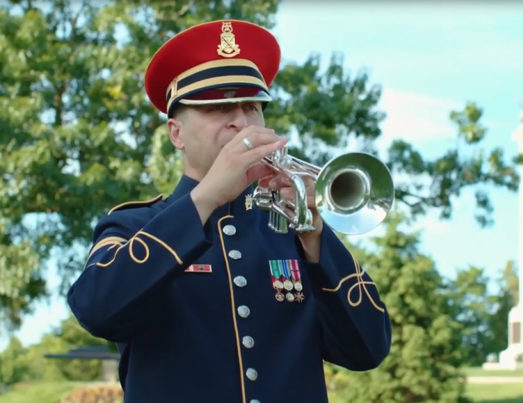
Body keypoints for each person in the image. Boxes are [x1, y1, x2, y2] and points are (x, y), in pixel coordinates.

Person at [67, 19, 391, 403]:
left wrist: (314, 232)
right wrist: (205, 199)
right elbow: (94, 308)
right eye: (219, 106)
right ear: (177, 134)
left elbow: (368, 349)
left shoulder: (294, 230)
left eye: (253, 106)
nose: (241, 120)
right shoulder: (133, 225)